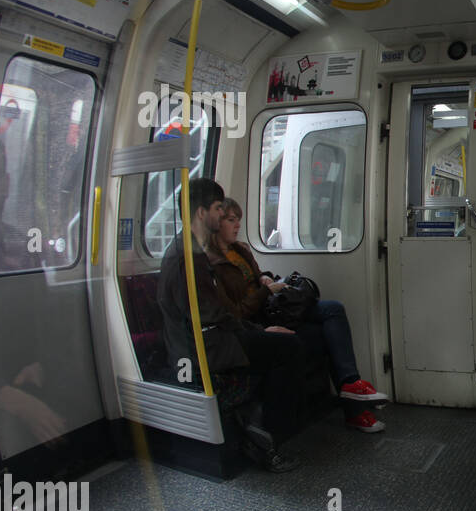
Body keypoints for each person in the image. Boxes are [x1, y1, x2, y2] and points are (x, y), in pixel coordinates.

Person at [205, 197, 388, 434]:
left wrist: (264, 278)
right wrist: (265, 291)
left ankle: (351, 384)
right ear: (217, 223)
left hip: (272, 306)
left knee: (333, 309)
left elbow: (257, 275)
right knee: (323, 331)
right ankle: (353, 408)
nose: (237, 226)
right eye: (231, 220)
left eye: (238, 220)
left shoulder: (241, 250)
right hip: (258, 318)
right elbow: (236, 311)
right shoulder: (212, 264)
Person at [157, 178, 303, 471]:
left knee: (282, 342)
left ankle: (263, 430)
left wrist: (258, 332)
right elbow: (213, 317)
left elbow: (217, 314)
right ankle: (266, 441)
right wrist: (260, 331)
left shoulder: (191, 251)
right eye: (216, 208)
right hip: (201, 349)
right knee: (289, 347)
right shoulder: (188, 259)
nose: (220, 215)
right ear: (201, 213)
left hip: (212, 337)